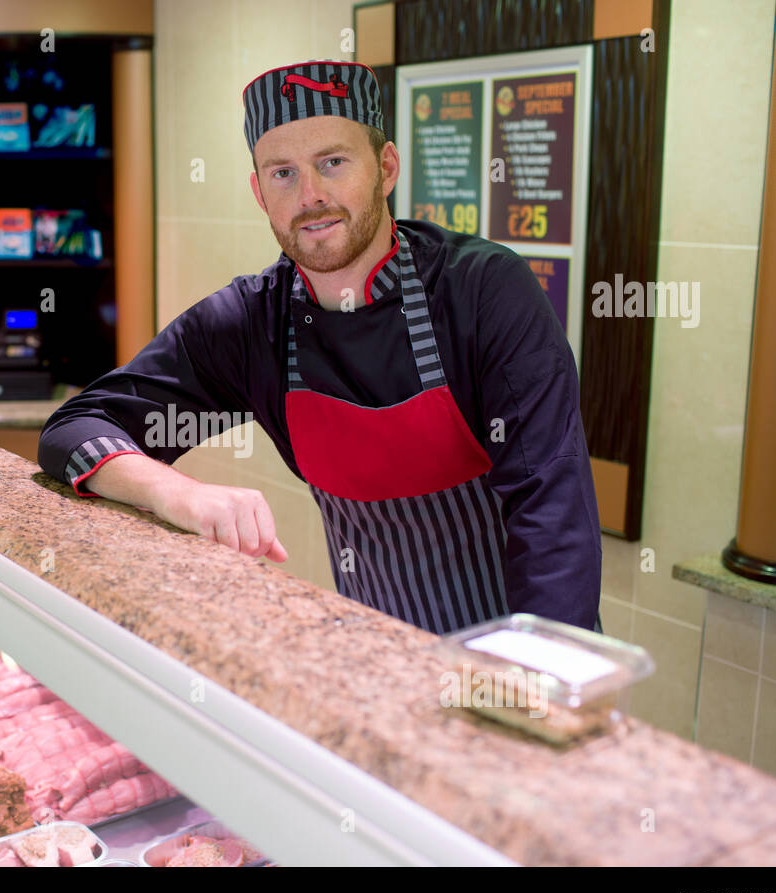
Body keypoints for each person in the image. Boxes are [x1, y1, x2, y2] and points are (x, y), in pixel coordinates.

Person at [38, 60, 602, 634]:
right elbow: (75, 427)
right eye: (282, 173)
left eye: (332, 162)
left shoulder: (483, 291)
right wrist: (176, 494)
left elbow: (551, 509)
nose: (310, 196)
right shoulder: (250, 323)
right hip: (374, 664)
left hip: (521, 660)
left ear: (385, 169)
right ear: (259, 192)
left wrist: (538, 685)